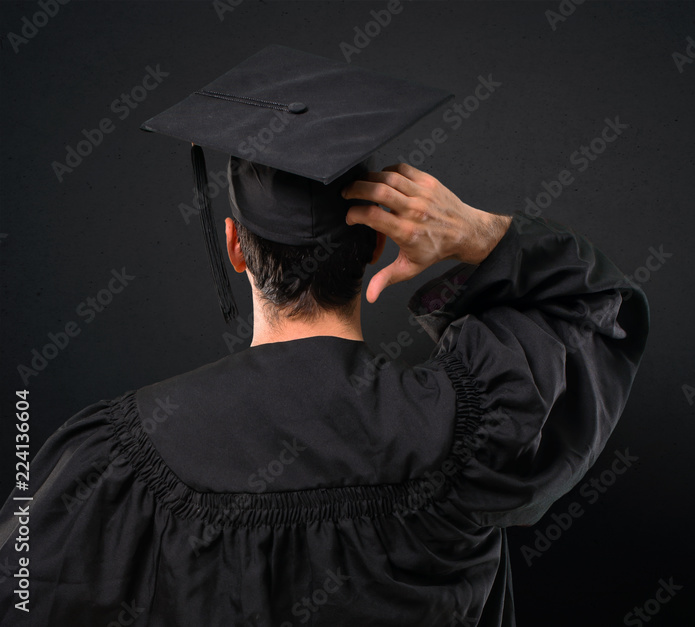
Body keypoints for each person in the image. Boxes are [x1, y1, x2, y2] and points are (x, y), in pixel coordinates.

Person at [0, 45, 649, 626]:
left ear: (235, 247)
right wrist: (476, 232)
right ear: (373, 243)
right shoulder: (475, 429)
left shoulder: (111, 460)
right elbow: (596, 306)